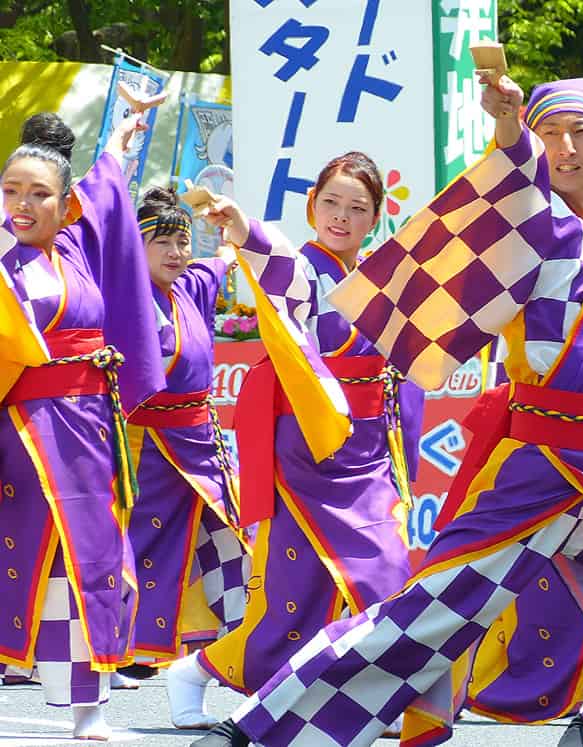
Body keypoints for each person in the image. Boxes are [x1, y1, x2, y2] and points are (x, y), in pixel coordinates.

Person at [194, 75, 583, 747]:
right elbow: (517, 178)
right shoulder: (538, 226)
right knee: (428, 612)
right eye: (550, 133)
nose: (563, 147)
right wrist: (507, 123)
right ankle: (258, 729)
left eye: (580, 132)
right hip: (542, 466)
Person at [167, 152, 421, 732]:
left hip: (368, 453)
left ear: (376, 217)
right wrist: (242, 228)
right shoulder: (306, 269)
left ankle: (362, 695)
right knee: (296, 592)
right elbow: (274, 263)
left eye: (358, 208)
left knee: (376, 578)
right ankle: (200, 669)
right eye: (330, 202)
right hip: (310, 447)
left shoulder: (376, 280)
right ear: (311, 206)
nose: (341, 216)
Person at [0, 112, 164, 740]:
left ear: (64, 205)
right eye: (11, 190)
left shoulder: (74, 243)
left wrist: (120, 142)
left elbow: (103, 190)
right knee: (20, 556)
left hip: (90, 429)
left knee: (89, 560)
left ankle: (86, 704)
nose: (22, 203)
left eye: (39, 193)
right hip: (20, 431)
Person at [124, 187, 252, 727]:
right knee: (142, 550)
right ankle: (123, 648)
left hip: (202, 445)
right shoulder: (122, 296)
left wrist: (229, 231)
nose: (176, 252)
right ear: (135, 246)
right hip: (148, 448)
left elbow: (221, 261)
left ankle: (249, 649)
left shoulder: (191, 288)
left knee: (236, 545)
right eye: (162, 242)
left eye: (181, 240)